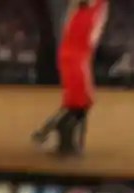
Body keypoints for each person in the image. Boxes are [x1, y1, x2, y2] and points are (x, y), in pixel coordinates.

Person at [32, 0, 110, 155]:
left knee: (79, 104)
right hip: (74, 58)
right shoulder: (88, 8)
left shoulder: (90, 7)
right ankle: (64, 141)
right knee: (79, 104)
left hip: (77, 57)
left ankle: (56, 136)